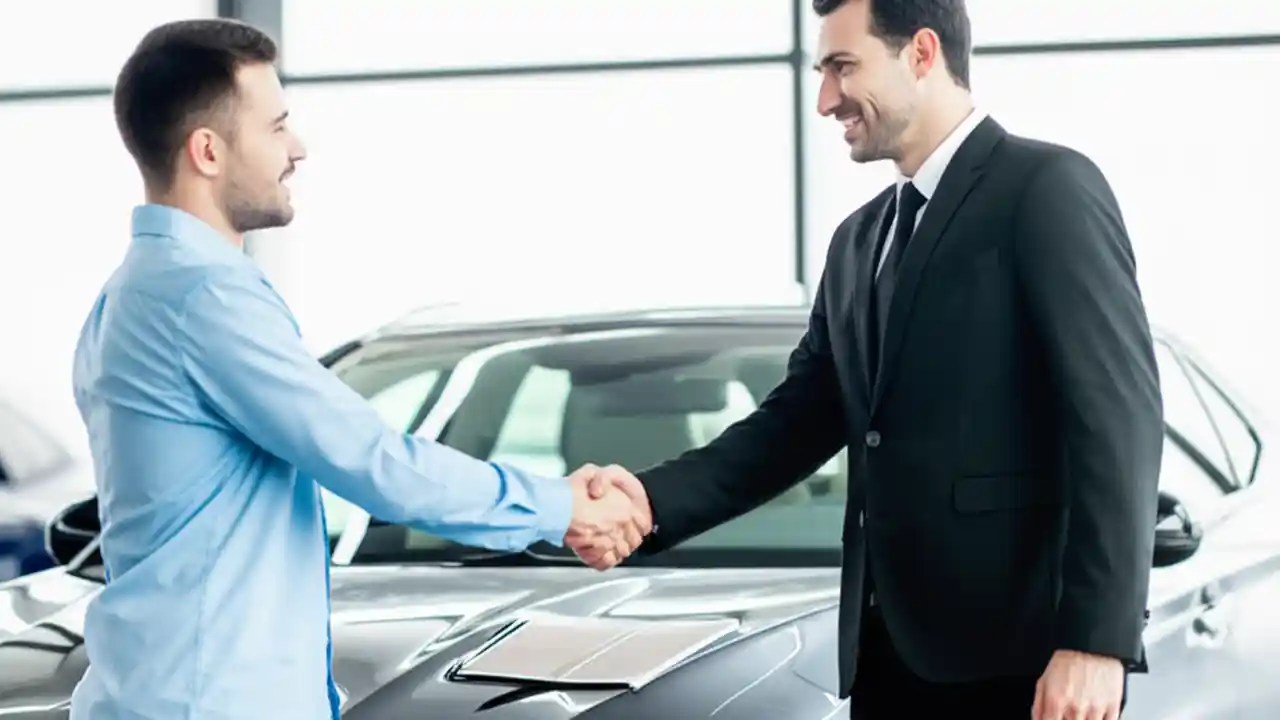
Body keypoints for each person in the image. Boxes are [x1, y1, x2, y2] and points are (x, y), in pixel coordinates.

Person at [575, 1, 1162, 718]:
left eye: (842, 67)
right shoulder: (858, 241)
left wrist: (1097, 642)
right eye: (822, 70)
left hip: (1024, 664)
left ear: (920, 53)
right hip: (885, 659)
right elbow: (794, 423)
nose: (825, 100)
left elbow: (1117, 420)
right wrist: (648, 500)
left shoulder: (1046, 189)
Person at [69, 19, 646, 720]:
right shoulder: (203, 296)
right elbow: (374, 464)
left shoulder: (130, 293)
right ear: (209, 151)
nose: (297, 149)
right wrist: (562, 508)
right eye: (276, 127)